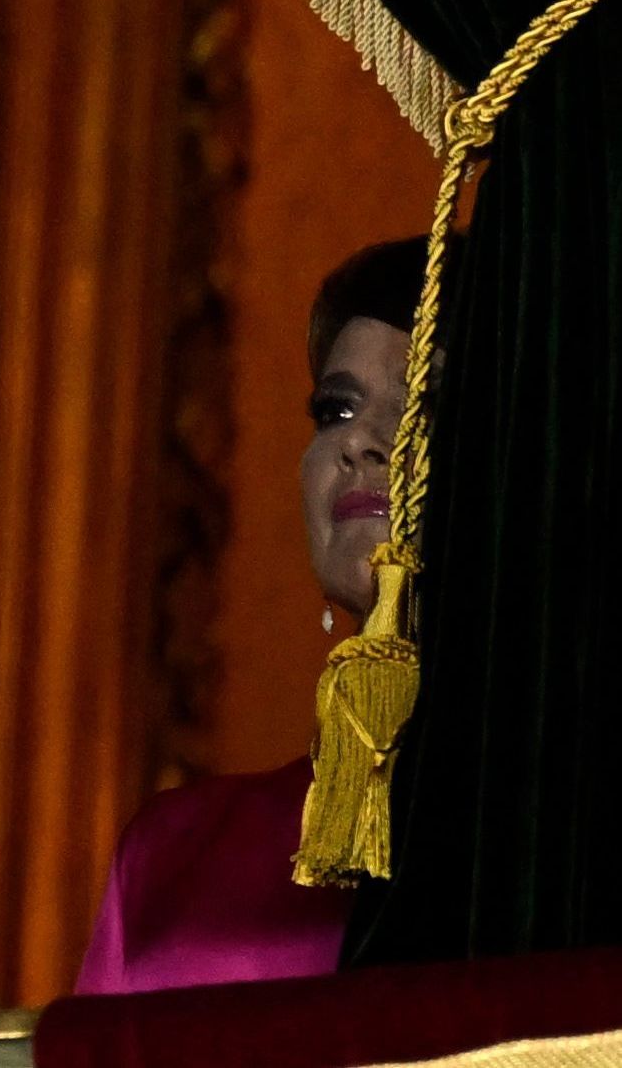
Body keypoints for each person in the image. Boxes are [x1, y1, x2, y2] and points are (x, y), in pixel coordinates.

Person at [71, 238, 426, 992]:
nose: (359, 442)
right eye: (335, 408)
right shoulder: (174, 854)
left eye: (420, 400)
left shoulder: (571, 831)